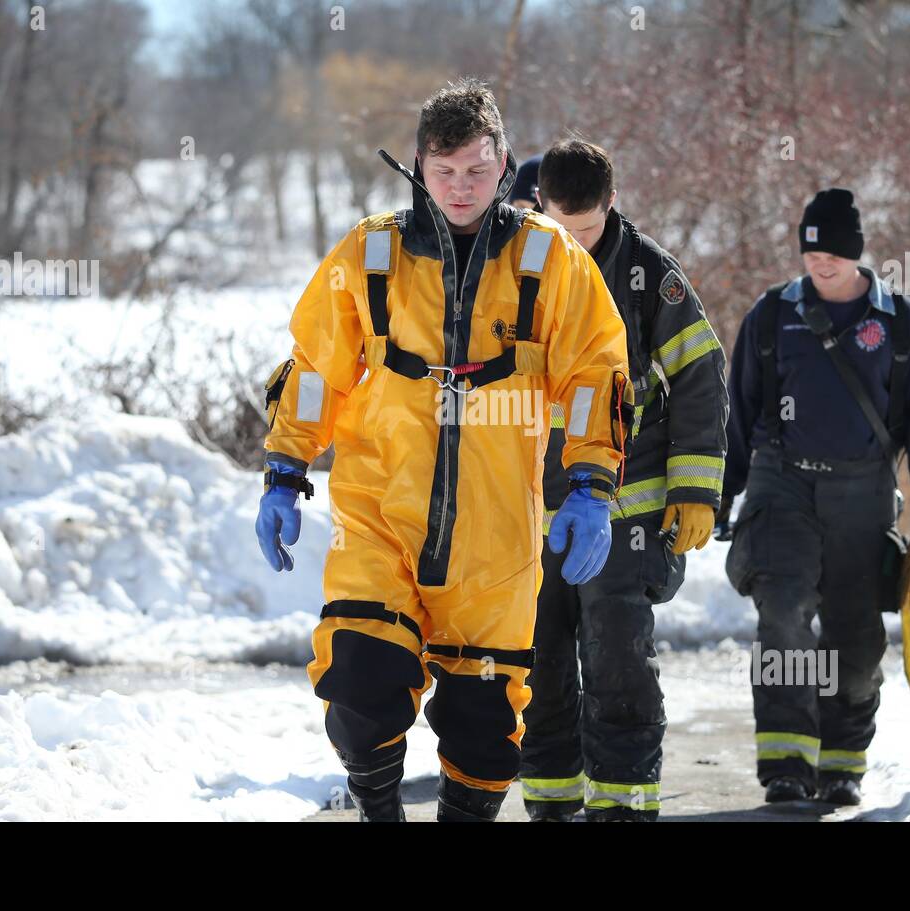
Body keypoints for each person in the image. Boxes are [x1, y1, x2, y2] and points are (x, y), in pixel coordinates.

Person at [255, 79, 631, 822]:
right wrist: (284, 466)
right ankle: (378, 809)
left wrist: (591, 484)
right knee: (359, 682)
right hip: (380, 516)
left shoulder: (550, 261)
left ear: (503, 167)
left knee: (485, 737)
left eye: (476, 170)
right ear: (418, 168)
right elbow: (315, 366)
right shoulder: (369, 255)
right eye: (444, 169)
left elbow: (596, 372)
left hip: (494, 543)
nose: (460, 188)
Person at [719, 187, 910, 806]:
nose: (819, 266)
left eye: (831, 257)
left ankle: (842, 762)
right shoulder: (772, 317)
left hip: (863, 487)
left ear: (856, 254)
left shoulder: (899, 323)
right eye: (810, 255)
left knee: (855, 632)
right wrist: (719, 492)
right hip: (783, 480)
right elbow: (738, 416)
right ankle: (787, 760)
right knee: (785, 611)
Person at [519, 139, 729, 821]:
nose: (574, 247)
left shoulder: (648, 274)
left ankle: (625, 803)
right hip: (533, 506)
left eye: (587, 232)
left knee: (617, 658)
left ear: (612, 203)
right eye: (560, 230)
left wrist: (695, 489)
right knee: (538, 660)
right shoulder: (512, 267)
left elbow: (700, 374)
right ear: (536, 205)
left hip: (626, 502)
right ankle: (552, 800)